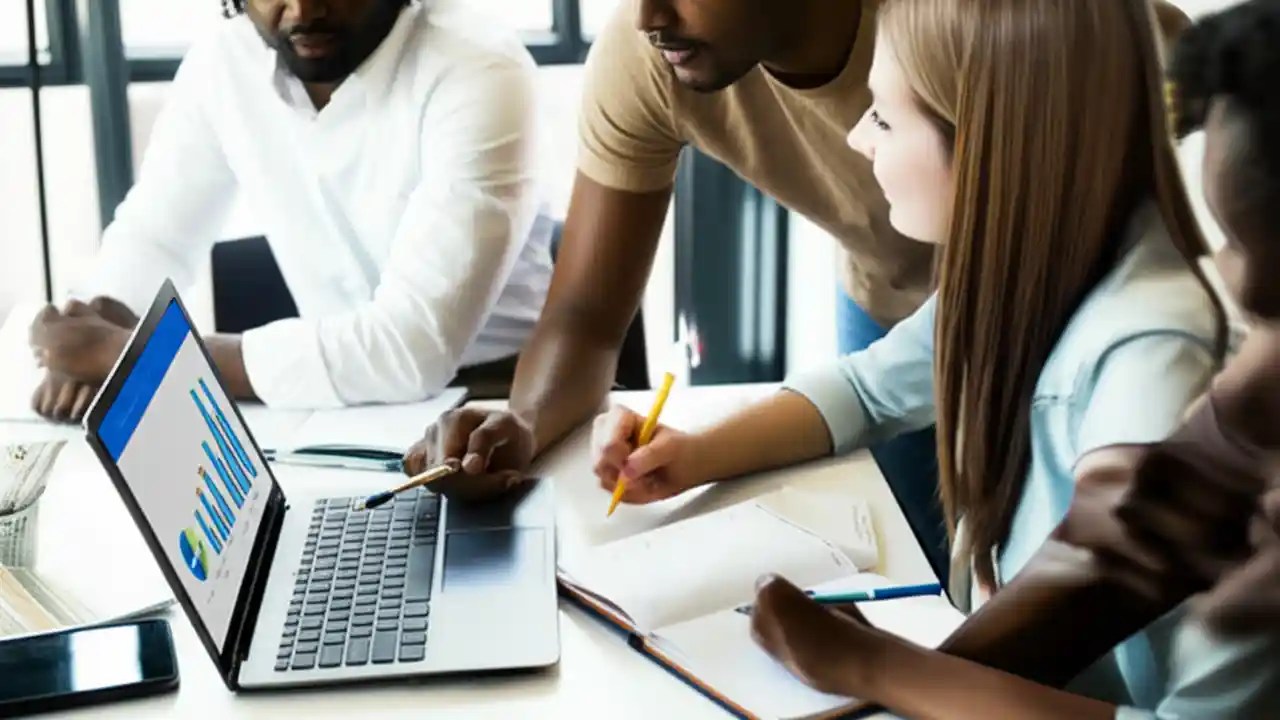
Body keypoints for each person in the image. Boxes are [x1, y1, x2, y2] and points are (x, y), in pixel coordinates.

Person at [749, 1, 1280, 718]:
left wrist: (878, 669)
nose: (1231, 284)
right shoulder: (1243, 402)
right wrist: (891, 671)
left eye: (1242, 244)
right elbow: (1119, 547)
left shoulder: (1158, 348)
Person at [27, 0, 553, 420]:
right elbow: (156, 236)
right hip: (331, 413)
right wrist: (96, 327)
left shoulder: (477, 65)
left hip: (499, 405)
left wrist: (135, 357)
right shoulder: (224, 61)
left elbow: (412, 347)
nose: (303, 10)